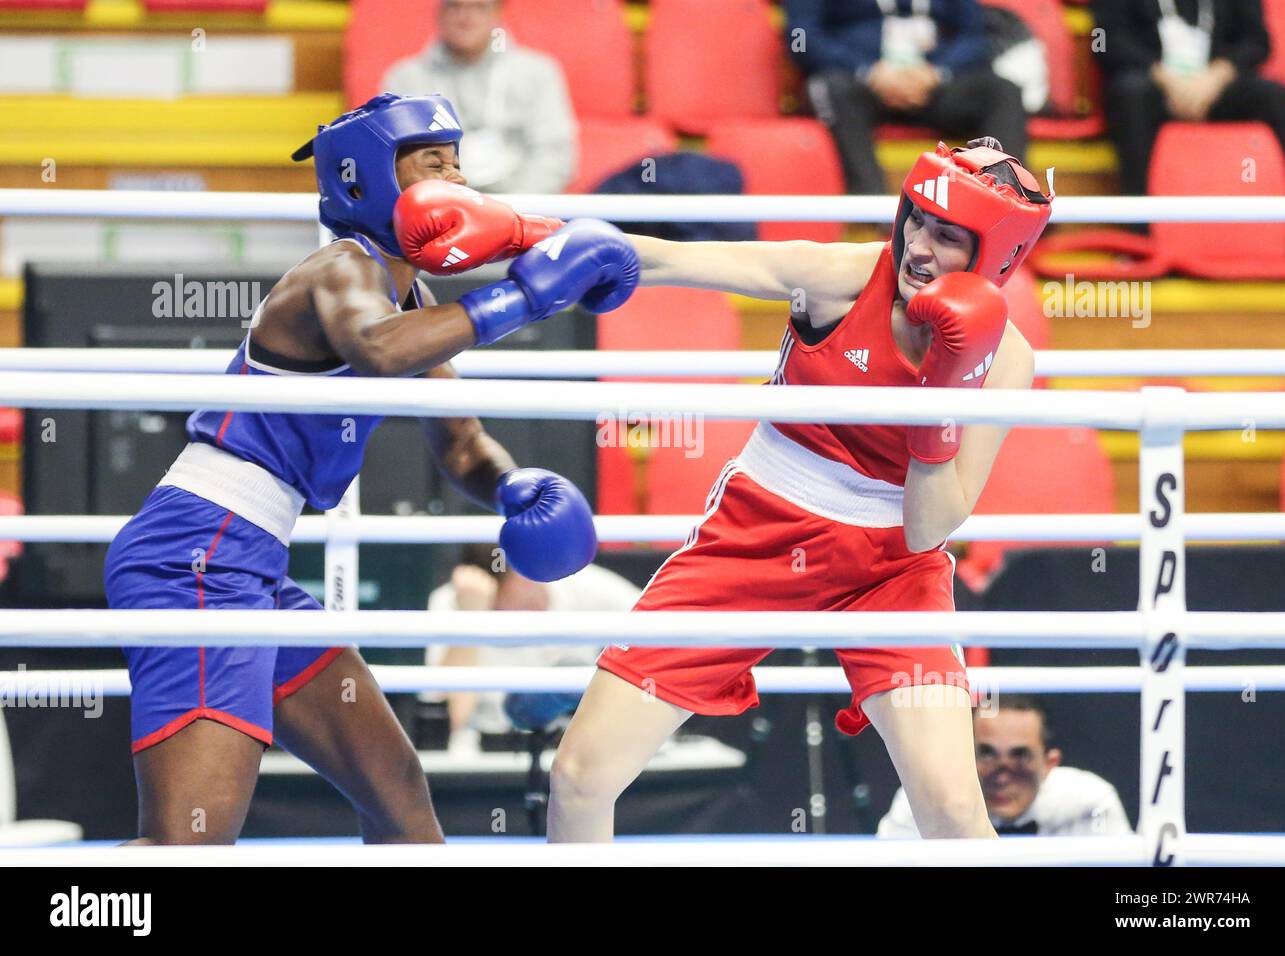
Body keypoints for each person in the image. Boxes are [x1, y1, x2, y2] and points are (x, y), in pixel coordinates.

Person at [104, 92, 638, 845]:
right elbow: (378, 349)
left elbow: (460, 444)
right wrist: (521, 298)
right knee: (186, 846)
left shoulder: (413, 298)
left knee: (401, 806)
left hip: (254, 565)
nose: (452, 180)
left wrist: (513, 488)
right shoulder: (340, 271)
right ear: (366, 180)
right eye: (430, 163)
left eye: (457, 165)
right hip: (195, 557)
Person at [548, 137, 1053, 842]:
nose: (918, 248)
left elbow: (925, 532)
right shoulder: (839, 276)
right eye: (915, 219)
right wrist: (517, 234)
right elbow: (670, 257)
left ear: (995, 258)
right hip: (758, 531)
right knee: (579, 775)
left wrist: (940, 400)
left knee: (956, 812)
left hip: (892, 566)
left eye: (946, 236)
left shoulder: (1005, 362)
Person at [787, 0, 1029, 196]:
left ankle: (1004, 200)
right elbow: (800, 37)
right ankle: (871, 209)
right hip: (861, 81)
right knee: (830, 89)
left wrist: (937, 72)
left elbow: (977, 36)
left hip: (931, 81)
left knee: (1003, 92)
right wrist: (865, 70)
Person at [425, 543, 642, 741]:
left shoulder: (579, 583)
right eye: (524, 578)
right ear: (491, 589)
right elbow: (451, 720)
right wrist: (469, 620)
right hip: (484, 757)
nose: (537, 586)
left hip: (580, 741)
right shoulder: (455, 603)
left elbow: (653, 626)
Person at [1092, 0, 1285, 194]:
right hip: (1152, 82)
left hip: (1216, 84)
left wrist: (1216, 77)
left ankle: (1283, 214)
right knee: (1130, 96)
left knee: (1275, 98)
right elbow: (1105, 41)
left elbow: (1257, 42)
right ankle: (1141, 219)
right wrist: (1165, 78)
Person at [383, 0, 576, 194]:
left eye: (479, 7)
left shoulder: (537, 72)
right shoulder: (406, 77)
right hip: (435, 209)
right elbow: (393, 160)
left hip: (522, 209)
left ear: (498, 13)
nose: (465, 18)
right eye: (455, 6)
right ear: (439, 11)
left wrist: (509, 209)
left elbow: (554, 154)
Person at [878, 695, 1132, 837]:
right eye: (987, 754)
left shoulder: (1090, 803)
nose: (1002, 775)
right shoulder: (921, 800)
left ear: (1049, 764)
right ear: (964, 755)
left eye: (1019, 756)